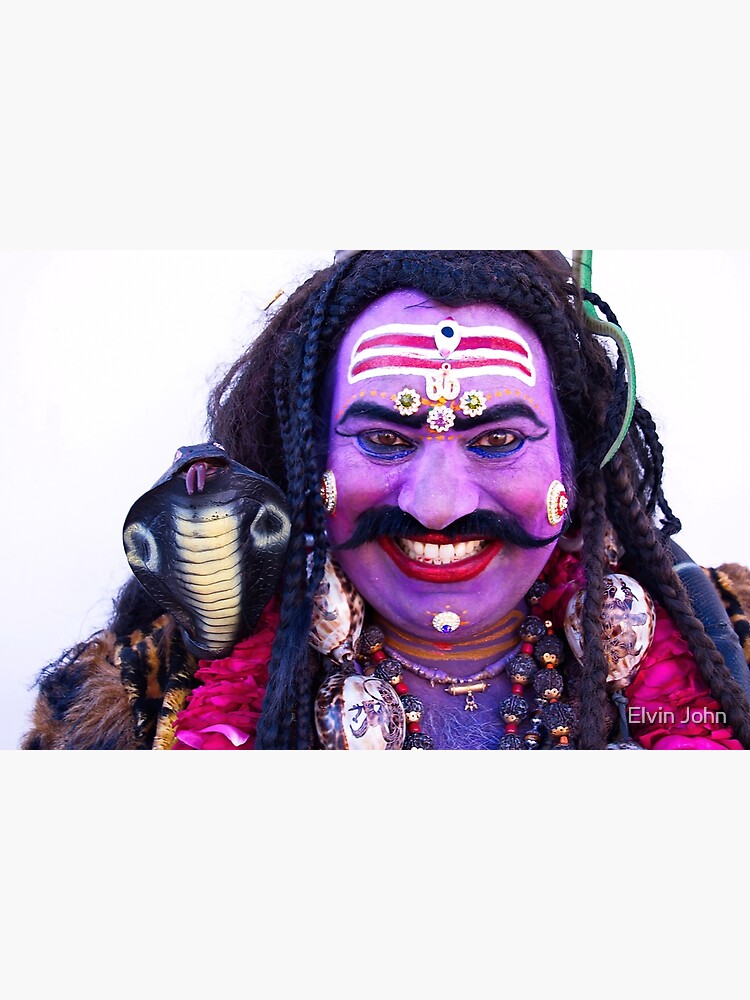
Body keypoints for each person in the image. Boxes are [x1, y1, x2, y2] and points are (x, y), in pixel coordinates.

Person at [20, 250, 750, 750]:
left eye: (496, 441)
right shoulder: (140, 705)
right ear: (307, 456)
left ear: (576, 458)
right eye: (385, 440)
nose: (437, 506)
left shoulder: (730, 644)